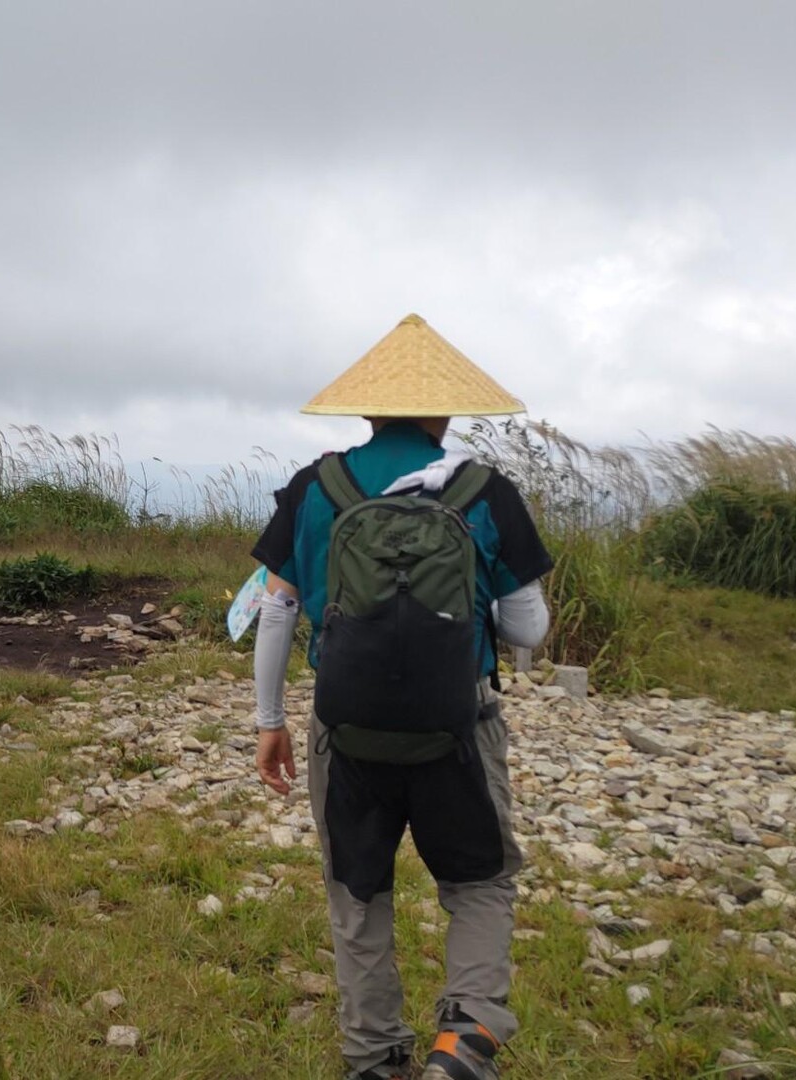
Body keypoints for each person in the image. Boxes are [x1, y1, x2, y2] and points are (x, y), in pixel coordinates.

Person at [249, 314, 553, 1080]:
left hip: (344, 725)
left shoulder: (315, 488)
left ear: (368, 407)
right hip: (460, 724)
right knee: (479, 882)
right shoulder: (486, 490)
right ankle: (465, 1040)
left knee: (358, 893)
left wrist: (269, 721)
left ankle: (375, 1058)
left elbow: (277, 612)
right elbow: (530, 628)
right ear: (444, 410)